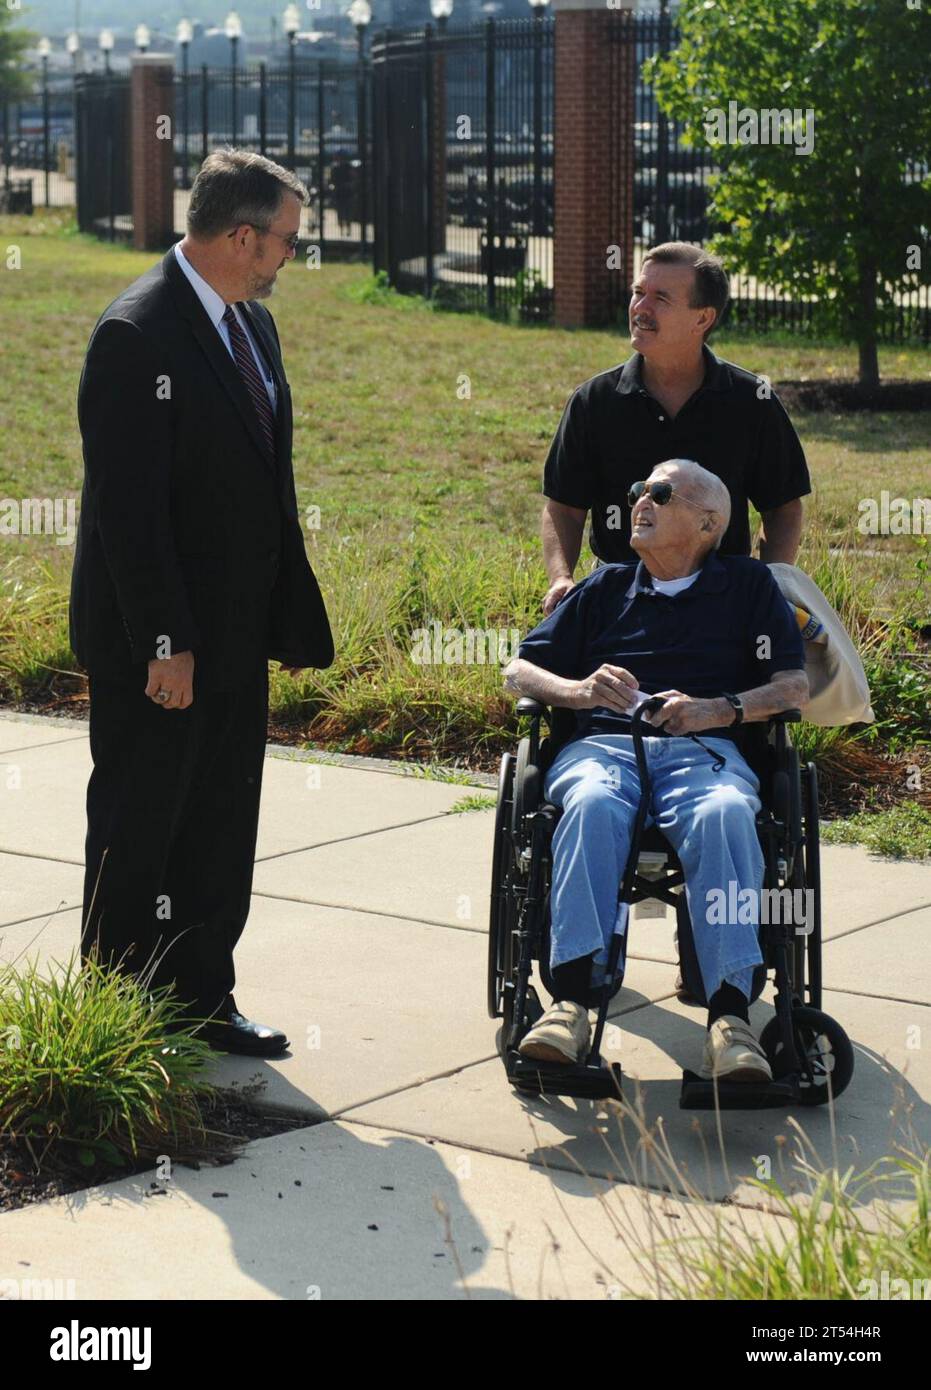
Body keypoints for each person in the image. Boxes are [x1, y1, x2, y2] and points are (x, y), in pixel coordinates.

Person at [70, 149, 334, 1057]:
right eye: (287, 242)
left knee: (220, 820)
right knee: (143, 823)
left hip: (234, 631)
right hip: (160, 642)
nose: (290, 259)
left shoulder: (249, 325)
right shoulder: (137, 334)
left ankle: (198, 998)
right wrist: (166, 643)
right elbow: (127, 518)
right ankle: (111, 1017)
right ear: (241, 235)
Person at [503, 459, 809, 1082]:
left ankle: (730, 1019)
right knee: (588, 805)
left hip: (706, 751)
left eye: (659, 493)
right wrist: (581, 690)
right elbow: (518, 671)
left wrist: (719, 709)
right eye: (638, 488)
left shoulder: (748, 587)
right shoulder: (606, 586)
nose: (639, 500)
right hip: (606, 748)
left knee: (726, 812)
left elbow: (794, 685)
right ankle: (570, 1006)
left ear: (707, 523)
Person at [540, 242, 810, 619]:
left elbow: (783, 507)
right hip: (618, 600)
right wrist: (561, 579)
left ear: (703, 318)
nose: (640, 309)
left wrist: (771, 586)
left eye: (660, 298)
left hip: (723, 599)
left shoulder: (752, 401)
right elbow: (564, 509)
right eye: (638, 293)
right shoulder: (594, 401)